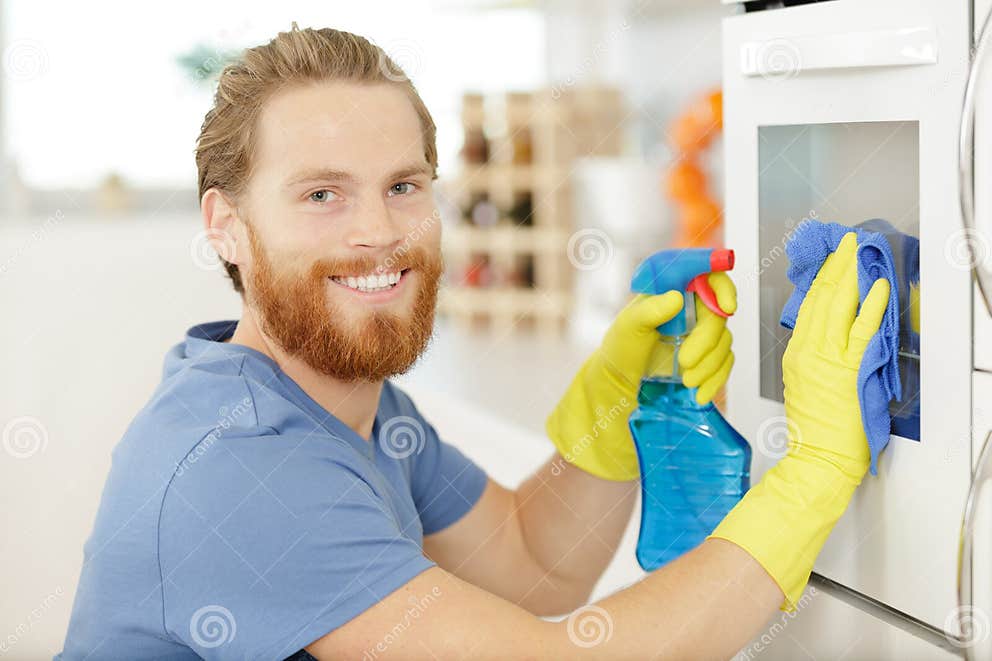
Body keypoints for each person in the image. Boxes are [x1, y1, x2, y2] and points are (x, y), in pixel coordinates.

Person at [55, 25, 890, 661]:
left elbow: (530, 563)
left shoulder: (343, 401)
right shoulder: (245, 464)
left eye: (403, 186)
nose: (379, 231)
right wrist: (813, 473)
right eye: (321, 194)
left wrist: (616, 403)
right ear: (227, 226)